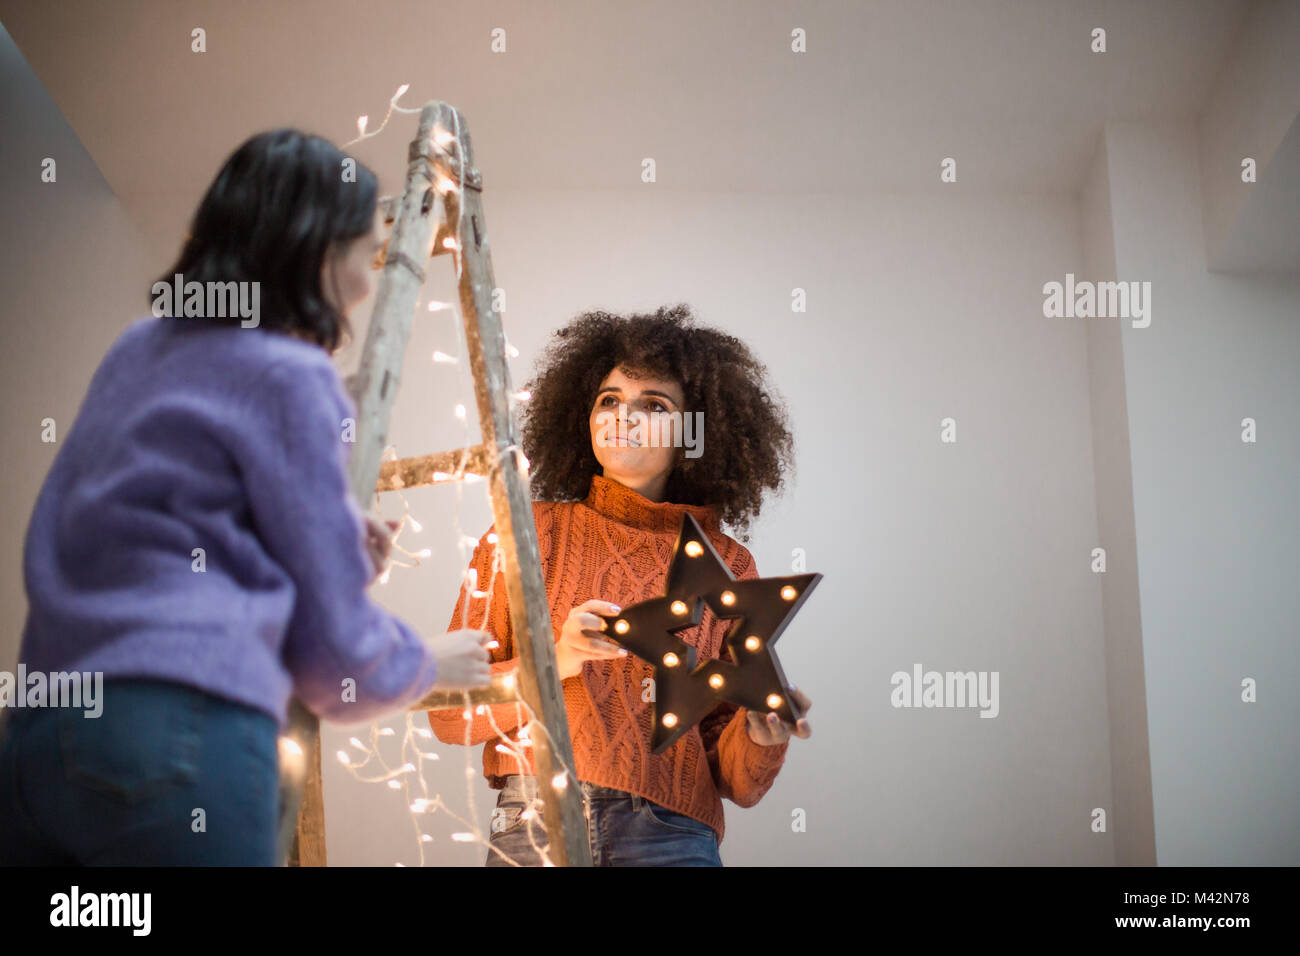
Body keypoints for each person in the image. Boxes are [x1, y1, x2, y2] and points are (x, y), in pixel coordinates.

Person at [0, 129, 493, 866]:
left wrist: (325, 540)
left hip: (39, 735)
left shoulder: (137, 347)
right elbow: (335, 660)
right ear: (319, 251)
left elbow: (156, 526)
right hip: (177, 733)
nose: (367, 284)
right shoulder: (291, 376)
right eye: (364, 251)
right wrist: (429, 662)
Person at [428, 304, 814, 866]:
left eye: (653, 404)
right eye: (608, 399)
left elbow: (739, 782)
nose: (622, 415)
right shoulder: (524, 532)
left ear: (693, 434)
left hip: (673, 838)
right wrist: (554, 661)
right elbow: (446, 712)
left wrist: (761, 735)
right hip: (533, 824)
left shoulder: (729, 564)